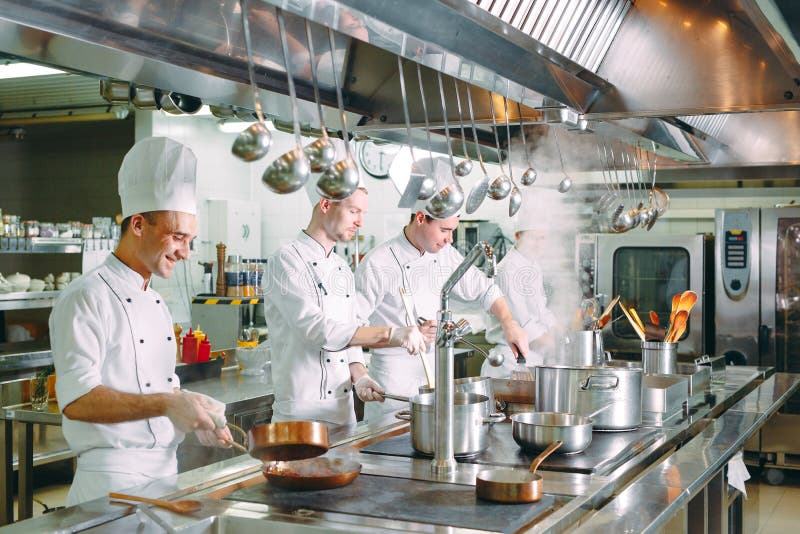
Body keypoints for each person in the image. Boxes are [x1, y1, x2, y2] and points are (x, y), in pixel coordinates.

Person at [49, 137, 232, 506]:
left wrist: (192, 411)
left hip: (165, 477)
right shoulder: (85, 297)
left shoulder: (157, 302)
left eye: (190, 240)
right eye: (178, 236)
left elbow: (154, 387)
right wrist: (167, 404)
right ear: (137, 225)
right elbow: (78, 399)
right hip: (110, 486)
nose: (185, 252)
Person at [264, 187, 435, 426]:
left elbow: (349, 330)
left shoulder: (342, 268)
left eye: (362, 213)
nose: (360, 222)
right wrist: (391, 333)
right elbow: (317, 330)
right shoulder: (286, 260)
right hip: (300, 416)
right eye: (354, 211)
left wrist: (360, 375)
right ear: (325, 205)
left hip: (343, 415)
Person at [355, 191, 530, 422]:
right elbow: (348, 331)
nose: (449, 239)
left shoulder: (444, 255)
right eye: (444, 230)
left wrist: (509, 323)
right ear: (420, 217)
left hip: (433, 382)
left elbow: (485, 289)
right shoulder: (377, 264)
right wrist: (397, 339)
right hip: (392, 391)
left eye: (453, 230)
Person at [481, 212, 559, 377]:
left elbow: (541, 310)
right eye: (533, 238)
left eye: (542, 238)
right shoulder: (509, 270)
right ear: (517, 236)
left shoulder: (532, 265)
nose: (538, 244)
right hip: (510, 362)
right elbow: (523, 324)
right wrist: (557, 347)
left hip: (533, 358)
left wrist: (558, 329)